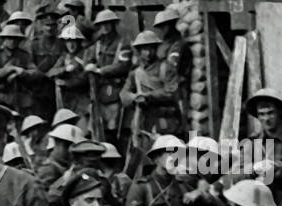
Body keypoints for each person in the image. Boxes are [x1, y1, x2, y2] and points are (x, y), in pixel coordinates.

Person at [243, 87, 282, 206]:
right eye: (262, 114)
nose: (266, 119)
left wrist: (278, 168)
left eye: (270, 113)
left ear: (280, 112)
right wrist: (253, 169)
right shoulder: (252, 142)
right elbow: (236, 175)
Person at [121, 29, 185, 138]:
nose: (148, 52)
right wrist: (135, 97)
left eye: (151, 48)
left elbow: (171, 91)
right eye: (144, 49)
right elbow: (123, 94)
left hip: (166, 122)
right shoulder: (135, 73)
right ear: (139, 51)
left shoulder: (166, 68)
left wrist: (147, 96)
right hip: (144, 123)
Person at [86, 9, 132, 143]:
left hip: (115, 92)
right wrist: (90, 66)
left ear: (113, 24)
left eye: (108, 24)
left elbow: (123, 65)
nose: (105, 27)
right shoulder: (97, 45)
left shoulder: (123, 44)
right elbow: (89, 61)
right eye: (102, 24)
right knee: (98, 129)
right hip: (97, 93)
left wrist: (100, 71)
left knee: (115, 131)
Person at [48, 23, 92, 128]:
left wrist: (65, 83)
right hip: (67, 101)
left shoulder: (86, 55)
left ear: (79, 42)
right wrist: (64, 69)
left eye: (73, 41)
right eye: (68, 41)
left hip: (82, 100)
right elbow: (50, 73)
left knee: (82, 129)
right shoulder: (64, 57)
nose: (71, 45)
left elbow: (85, 78)